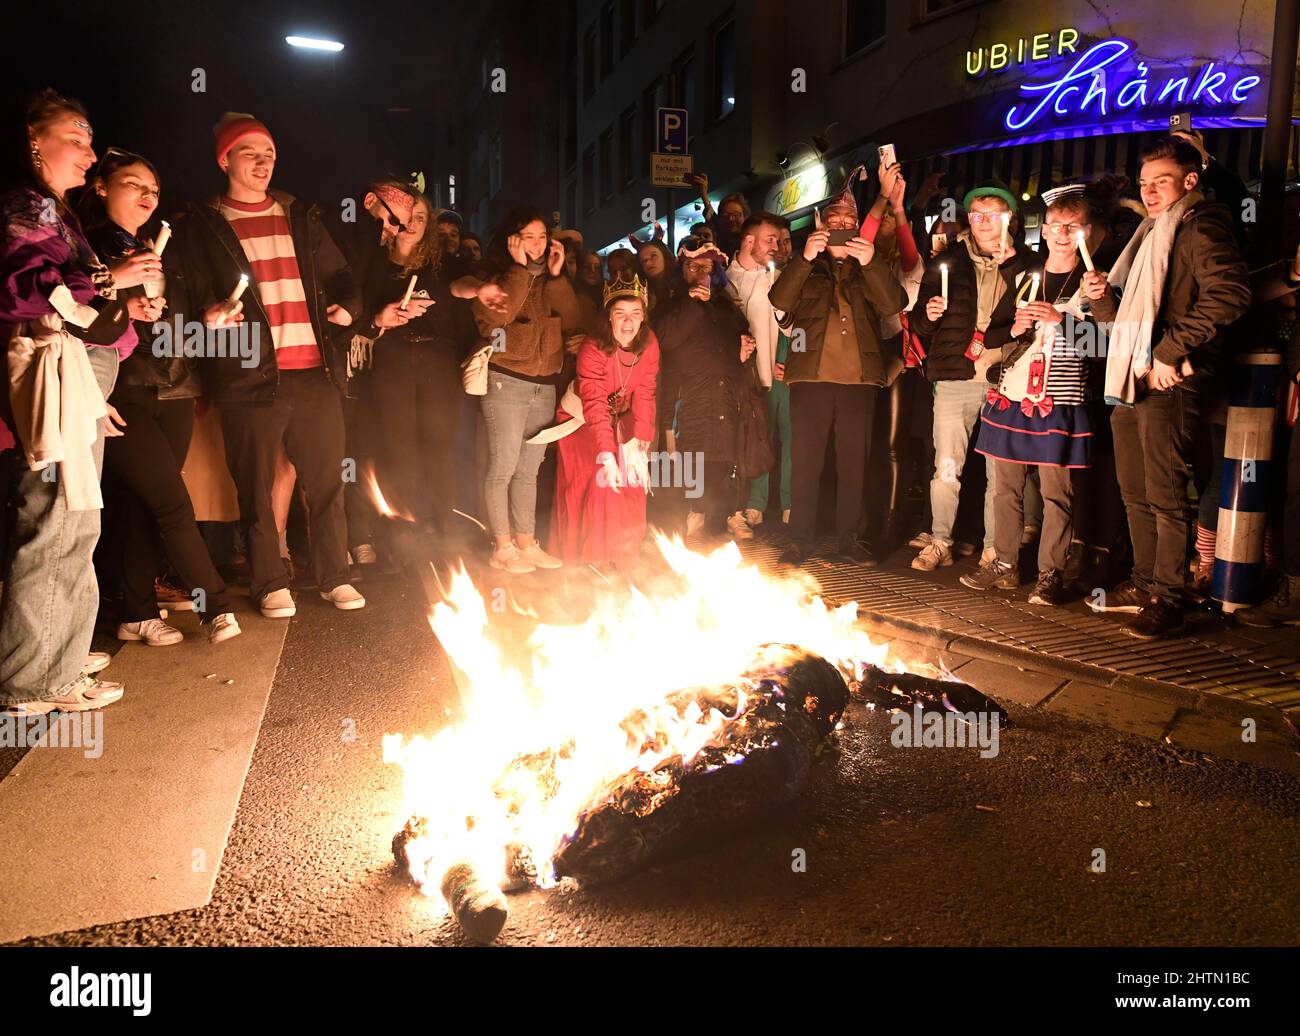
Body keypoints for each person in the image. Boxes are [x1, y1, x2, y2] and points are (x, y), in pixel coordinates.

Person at [169, 111, 366, 619]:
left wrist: (350, 309)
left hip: (315, 371)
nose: (263, 163)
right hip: (248, 375)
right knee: (254, 487)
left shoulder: (300, 215)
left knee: (325, 481)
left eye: (270, 154)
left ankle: (333, 576)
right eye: (250, 153)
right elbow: (183, 300)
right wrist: (206, 318)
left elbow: (343, 276)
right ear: (225, 159)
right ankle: (268, 582)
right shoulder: (204, 225)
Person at [0, 90, 140, 714]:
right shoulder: (25, 206)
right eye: (76, 139)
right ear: (34, 139)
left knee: (77, 518)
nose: (89, 153)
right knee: (56, 519)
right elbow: (26, 289)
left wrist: (115, 296)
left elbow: (83, 306)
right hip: (51, 371)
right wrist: (104, 291)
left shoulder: (58, 212)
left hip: (72, 373)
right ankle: (33, 679)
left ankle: (56, 652)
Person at [1085, 137, 1251, 639]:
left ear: (1189, 181)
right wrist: (1098, 301)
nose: (1151, 191)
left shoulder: (1201, 225)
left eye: (1162, 181)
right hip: (1131, 375)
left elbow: (1230, 295)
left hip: (1168, 379)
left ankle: (1169, 595)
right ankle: (1142, 582)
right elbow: (1124, 321)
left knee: (1165, 494)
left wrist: (1168, 352)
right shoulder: (1148, 233)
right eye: (1144, 184)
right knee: (1135, 491)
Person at [81, 147, 241, 646]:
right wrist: (122, 301)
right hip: (121, 388)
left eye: (154, 188)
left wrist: (207, 322)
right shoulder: (86, 246)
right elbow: (73, 311)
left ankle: (137, 613)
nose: (148, 195)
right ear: (102, 186)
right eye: (134, 184)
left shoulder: (162, 246)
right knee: (171, 501)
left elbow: (175, 331)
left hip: (175, 387)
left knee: (143, 504)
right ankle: (213, 605)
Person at [960, 186, 1100, 605]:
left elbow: (1105, 345)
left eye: (1071, 227)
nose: (1061, 234)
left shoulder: (1095, 284)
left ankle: (1050, 573)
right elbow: (994, 333)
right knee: (1006, 487)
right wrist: (1016, 330)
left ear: (1086, 232)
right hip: (1015, 391)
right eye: (1055, 226)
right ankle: (1004, 565)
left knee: (1057, 492)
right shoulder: (1026, 277)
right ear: (1045, 231)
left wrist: (1061, 319)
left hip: (1058, 396)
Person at [769, 172, 908, 566]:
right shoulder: (807, 266)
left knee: (854, 463)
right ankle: (799, 538)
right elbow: (778, 300)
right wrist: (805, 256)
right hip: (809, 378)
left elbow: (892, 305)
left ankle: (850, 538)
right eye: (834, 223)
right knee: (807, 461)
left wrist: (872, 261)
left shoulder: (869, 266)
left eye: (849, 223)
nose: (842, 228)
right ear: (821, 228)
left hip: (858, 381)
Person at [908, 179, 1030, 572]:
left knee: (1001, 472)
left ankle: (994, 549)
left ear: (1008, 218)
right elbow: (919, 326)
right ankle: (940, 540)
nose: (983, 222)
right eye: (977, 215)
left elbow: (1032, 321)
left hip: (1004, 379)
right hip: (956, 376)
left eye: (992, 215)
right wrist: (926, 316)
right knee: (946, 466)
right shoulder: (950, 262)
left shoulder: (1025, 263)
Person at [362, 193, 474, 554]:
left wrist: (480, 289)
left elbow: (462, 288)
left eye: (421, 217)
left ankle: (444, 525)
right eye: (408, 215)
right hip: (392, 358)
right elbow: (362, 310)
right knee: (398, 446)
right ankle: (403, 533)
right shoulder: (374, 263)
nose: (412, 222)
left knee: (438, 444)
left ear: (428, 227)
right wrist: (384, 314)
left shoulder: (441, 266)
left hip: (436, 358)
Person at [471, 205, 582, 574]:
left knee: (528, 469)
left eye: (541, 237)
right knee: (502, 465)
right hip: (507, 380)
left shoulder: (549, 277)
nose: (536, 244)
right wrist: (520, 270)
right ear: (512, 240)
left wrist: (556, 276)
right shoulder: (493, 276)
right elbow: (499, 317)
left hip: (543, 385)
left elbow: (573, 319)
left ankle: (526, 542)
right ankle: (501, 546)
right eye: (528, 237)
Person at [549, 273, 660, 569]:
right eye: (620, 314)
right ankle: (590, 559)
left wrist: (642, 441)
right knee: (601, 478)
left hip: (620, 419)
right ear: (609, 317)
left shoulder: (649, 343)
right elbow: (595, 405)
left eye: (636, 314)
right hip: (582, 419)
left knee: (633, 479)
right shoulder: (592, 347)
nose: (628, 323)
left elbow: (646, 392)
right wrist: (608, 455)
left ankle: (624, 554)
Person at [653, 237, 755, 539]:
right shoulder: (670, 306)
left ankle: (712, 530)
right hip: (683, 408)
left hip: (723, 406)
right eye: (693, 267)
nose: (700, 274)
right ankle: (674, 537)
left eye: (707, 268)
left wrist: (745, 353)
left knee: (717, 474)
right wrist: (692, 305)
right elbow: (663, 341)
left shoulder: (728, 309)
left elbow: (737, 353)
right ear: (682, 271)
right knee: (679, 478)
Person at [857, 162, 926, 549]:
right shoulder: (857, 265)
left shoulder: (906, 266)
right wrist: (882, 198)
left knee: (894, 445)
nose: (880, 225)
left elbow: (911, 254)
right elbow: (862, 244)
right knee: (868, 443)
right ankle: (866, 520)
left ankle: (891, 522)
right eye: (877, 219)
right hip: (864, 356)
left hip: (899, 356)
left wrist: (897, 209)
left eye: (886, 222)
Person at [727, 211, 790, 526]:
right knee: (744, 440)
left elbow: (800, 325)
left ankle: (774, 504)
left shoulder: (777, 277)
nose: (776, 246)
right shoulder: (723, 280)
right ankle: (743, 504)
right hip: (739, 378)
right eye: (770, 240)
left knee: (775, 437)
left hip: (774, 374)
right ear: (749, 241)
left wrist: (793, 356)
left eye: (778, 240)